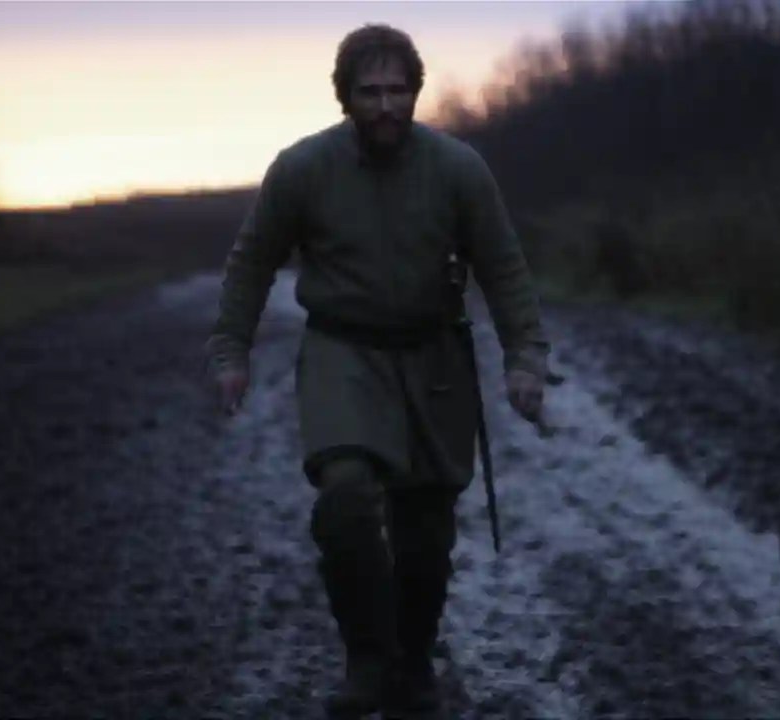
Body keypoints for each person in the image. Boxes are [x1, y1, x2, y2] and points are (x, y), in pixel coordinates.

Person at [204, 23, 550, 719]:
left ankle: (414, 659)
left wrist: (525, 358)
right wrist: (230, 352)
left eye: (399, 90)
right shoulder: (303, 169)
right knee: (346, 497)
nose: (387, 105)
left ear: (417, 92)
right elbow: (251, 262)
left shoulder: (457, 169)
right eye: (371, 92)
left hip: (433, 355)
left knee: (426, 532)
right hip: (344, 351)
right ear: (345, 98)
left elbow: (503, 266)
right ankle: (367, 657)